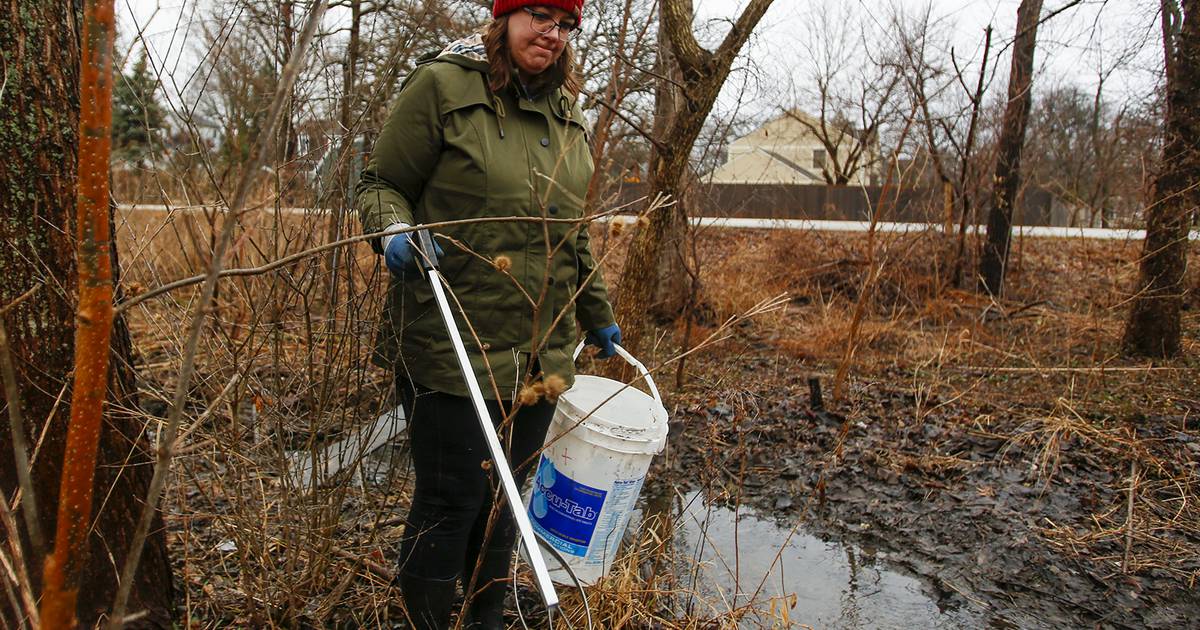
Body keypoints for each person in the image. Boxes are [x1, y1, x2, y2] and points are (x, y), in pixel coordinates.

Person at [356, 1, 620, 628]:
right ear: (504, 17)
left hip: (541, 351)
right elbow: (380, 183)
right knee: (451, 499)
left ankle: (485, 621)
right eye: (539, 16)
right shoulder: (443, 86)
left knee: (506, 503)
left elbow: (572, 231)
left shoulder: (568, 114)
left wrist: (595, 310)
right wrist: (394, 232)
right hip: (452, 340)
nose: (552, 34)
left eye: (566, 24)